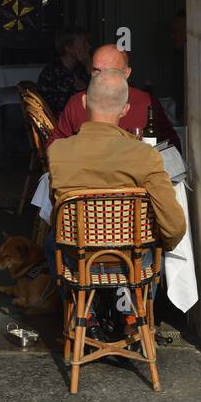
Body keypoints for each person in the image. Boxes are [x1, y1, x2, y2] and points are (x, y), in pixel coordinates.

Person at [48, 71, 186, 336]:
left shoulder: (58, 152)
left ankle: (85, 315)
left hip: (78, 261)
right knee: (152, 240)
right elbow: (174, 223)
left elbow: (57, 215)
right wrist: (161, 245)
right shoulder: (145, 155)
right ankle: (134, 318)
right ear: (124, 110)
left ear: (85, 102)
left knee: (54, 238)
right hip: (133, 262)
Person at [46, 44, 181, 151]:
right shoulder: (77, 102)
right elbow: (53, 147)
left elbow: (172, 145)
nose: (101, 78)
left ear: (126, 73)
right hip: (87, 181)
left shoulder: (146, 102)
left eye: (110, 72)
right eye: (96, 71)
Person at [37, 25, 91, 117]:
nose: (89, 47)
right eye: (84, 44)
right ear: (69, 48)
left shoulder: (80, 70)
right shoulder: (53, 73)